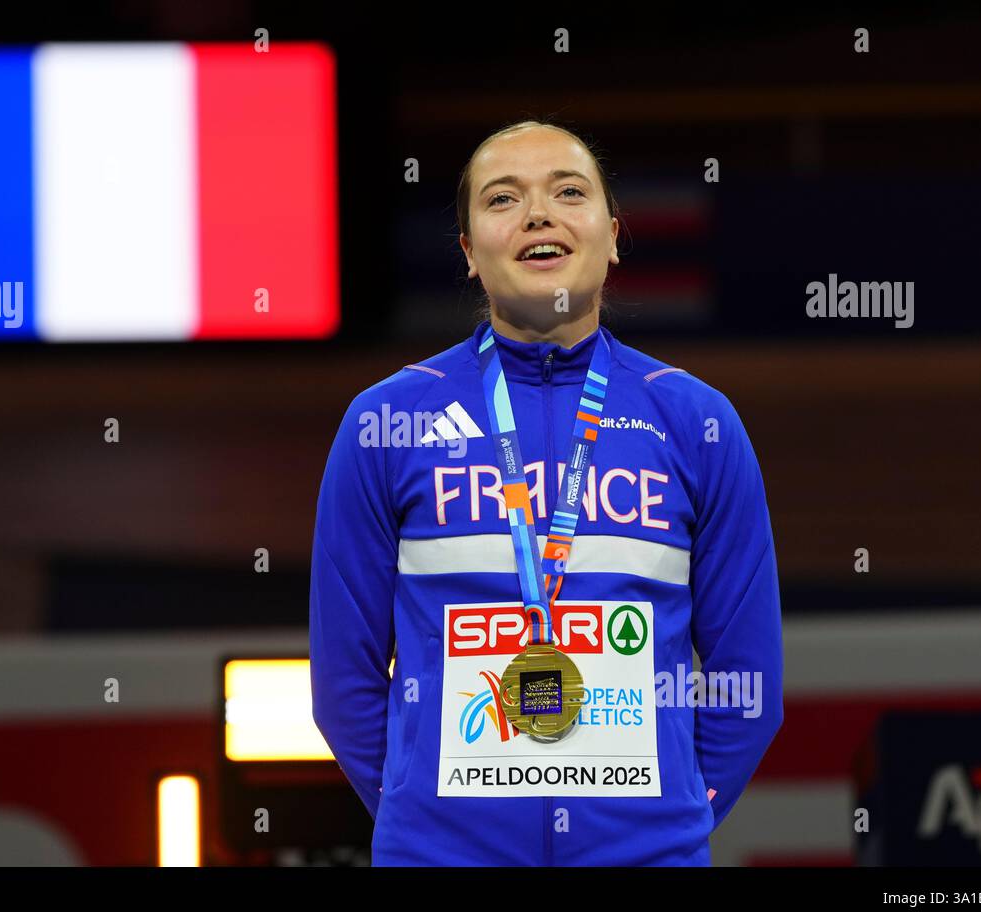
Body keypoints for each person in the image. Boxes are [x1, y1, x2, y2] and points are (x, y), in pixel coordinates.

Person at [309, 120, 783, 865]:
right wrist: (429, 824)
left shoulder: (697, 424)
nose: (538, 214)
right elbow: (344, 685)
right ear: (469, 250)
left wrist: (665, 822)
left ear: (614, 236)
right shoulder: (386, 422)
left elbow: (746, 683)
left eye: (569, 191)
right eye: (503, 199)